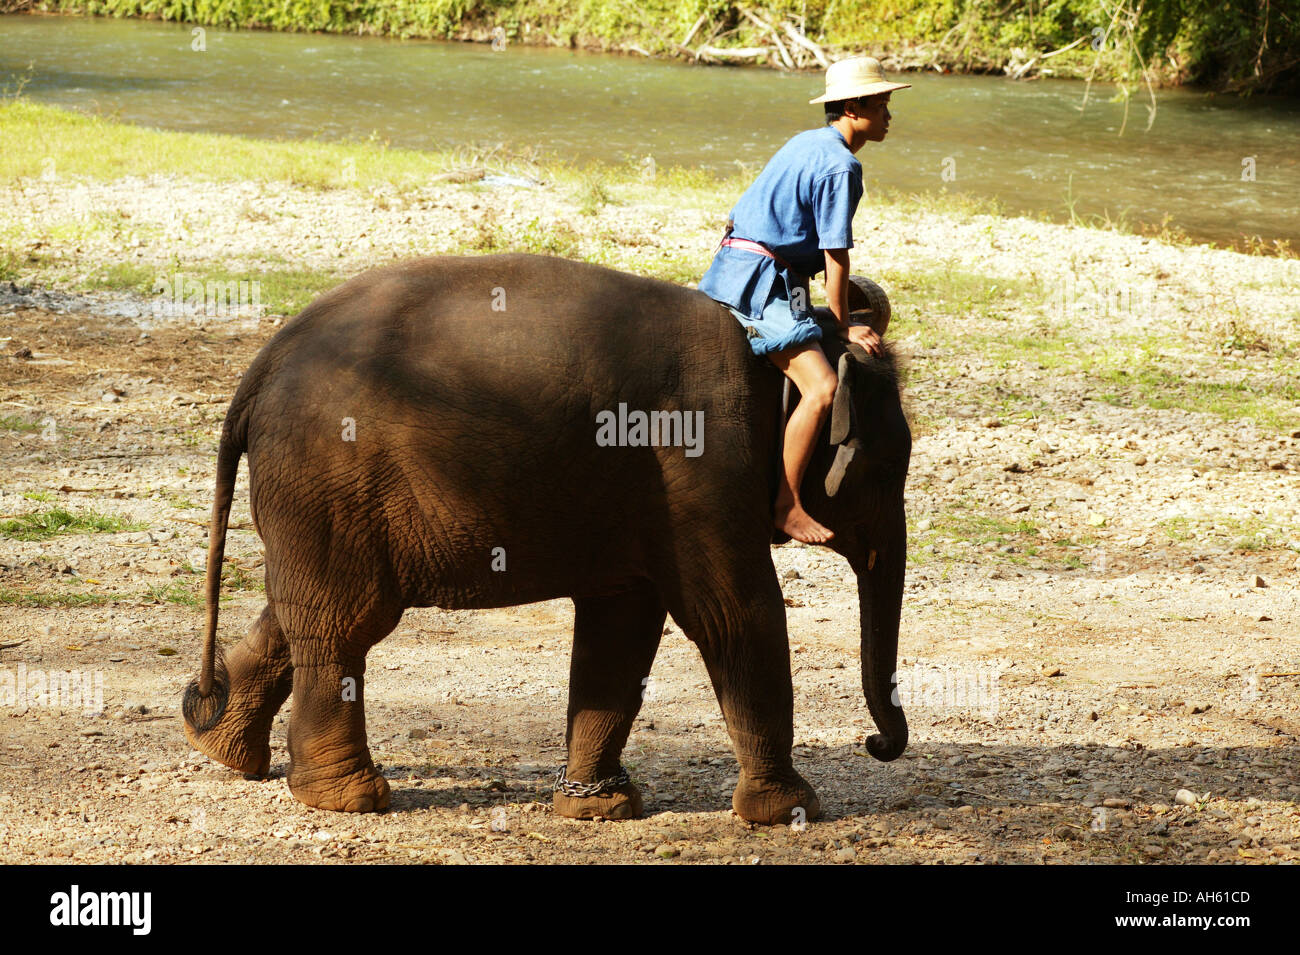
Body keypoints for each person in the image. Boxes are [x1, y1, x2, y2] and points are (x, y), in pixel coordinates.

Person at [698, 56, 909, 544]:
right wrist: (842, 326)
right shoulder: (842, 165)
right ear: (855, 107)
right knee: (822, 387)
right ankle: (787, 503)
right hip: (760, 284)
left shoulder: (806, 143)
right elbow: (837, 260)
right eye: (883, 104)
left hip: (736, 267)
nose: (888, 114)